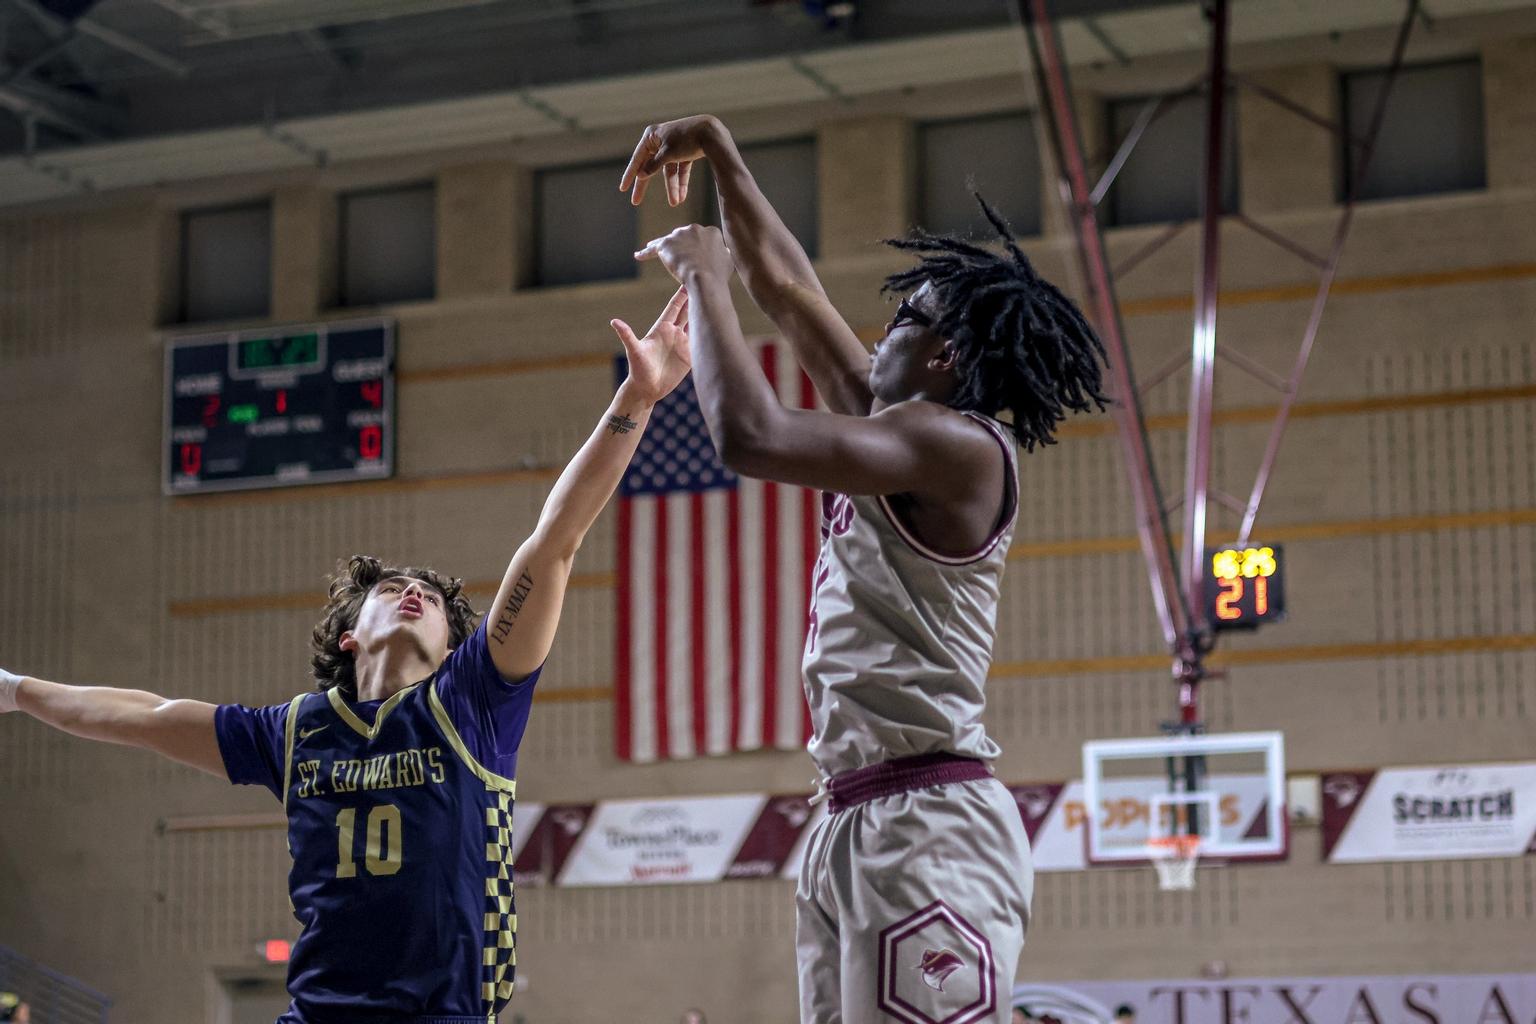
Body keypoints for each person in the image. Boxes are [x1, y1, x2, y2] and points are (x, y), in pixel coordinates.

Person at [0, 291, 693, 1024]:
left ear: (456, 646)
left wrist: (636, 399)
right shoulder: (294, 732)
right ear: (348, 636)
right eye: (393, 588)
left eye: (427, 594)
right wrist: (14, 690)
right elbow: (144, 717)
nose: (411, 593)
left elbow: (555, 538)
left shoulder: (474, 701)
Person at [622, 115, 1108, 1023]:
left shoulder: (954, 444)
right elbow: (793, 292)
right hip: (857, 815)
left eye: (903, 319)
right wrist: (723, 150)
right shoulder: (898, 432)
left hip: (925, 820)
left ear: (945, 356)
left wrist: (701, 276)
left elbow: (749, 435)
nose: (879, 330)